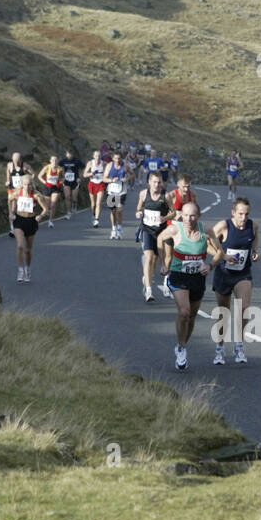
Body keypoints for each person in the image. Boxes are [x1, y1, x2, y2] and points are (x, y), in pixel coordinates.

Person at [157, 201, 224, 371]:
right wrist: (163, 263)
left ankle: (182, 345)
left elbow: (219, 252)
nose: (188, 219)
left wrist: (210, 266)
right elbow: (160, 238)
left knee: (192, 316)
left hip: (197, 279)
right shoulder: (175, 229)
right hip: (178, 276)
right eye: (186, 215)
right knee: (184, 311)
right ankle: (181, 348)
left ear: (198, 216)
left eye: (192, 215)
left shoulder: (206, 231)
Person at [210, 197, 259, 365]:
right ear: (233, 213)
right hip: (223, 275)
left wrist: (254, 252)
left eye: (246, 214)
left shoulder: (253, 226)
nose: (243, 218)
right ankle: (220, 348)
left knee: (244, 308)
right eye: (240, 214)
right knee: (224, 313)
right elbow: (206, 241)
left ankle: (239, 346)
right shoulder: (224, 226)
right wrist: (222, 255)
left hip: (242, 274)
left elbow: (254, 239)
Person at [135, 171, 171, 301]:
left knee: (155, 260)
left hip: (161, 233)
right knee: (149, 257)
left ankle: (147, 277)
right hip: (147, 230)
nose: (157, 185)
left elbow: (173, 213)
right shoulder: (143, 194)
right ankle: (149, 291)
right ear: (149, 183)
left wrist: (165, 217)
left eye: (159, 182)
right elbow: (138, 209)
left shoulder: (166, 196)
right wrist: (138, 213)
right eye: (154, 182)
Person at [11, 174, 48, 282]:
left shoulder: (36, 196)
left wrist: (40, 216)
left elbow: (45, 209)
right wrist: (11, 212)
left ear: (32, 185)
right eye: (25, 185)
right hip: (19, 221)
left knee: (27, 250)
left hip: (31, 222)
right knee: (20, 246)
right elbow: (10, 199)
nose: (27, 187)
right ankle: (20, 270)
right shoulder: (18, 193)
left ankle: (27, 269)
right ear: (22, 185)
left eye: (30, 185)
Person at [5, 152, 34, 237]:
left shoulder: (25, 166)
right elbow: (7, 171)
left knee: (20, 209)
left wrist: (28, 182)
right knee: (11, 209)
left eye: (17, 161)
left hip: (21, 191)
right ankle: (12, 229)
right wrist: (7, 180)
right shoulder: (9, 165)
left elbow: (33, 174)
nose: (16, 163)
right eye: (14, 161)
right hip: (12, 189)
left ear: (20, 160)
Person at [103, 151, 128, 240]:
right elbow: (104, 178)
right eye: (116, 158)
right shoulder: (109, 166)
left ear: (121, 158)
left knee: (119, 210)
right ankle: (113, 229)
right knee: (113, 212)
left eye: (119, 158)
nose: (117, 160)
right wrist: (111, 180)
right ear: (113, 159)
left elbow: (132, 175)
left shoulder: (125, 166)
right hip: (112, 191)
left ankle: (119, 229)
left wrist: (126, 178)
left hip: (121, 191)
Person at [37, 155, 64, 227]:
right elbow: (39, 176)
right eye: (53, 160)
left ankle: (50, 221)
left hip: (56, 188)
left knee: (53, 204)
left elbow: (63, 178)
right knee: (48, 205)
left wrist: (60, 182)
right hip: (47, 187)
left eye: (56, 160)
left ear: (57, 161)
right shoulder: (47, 168)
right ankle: (48, 212)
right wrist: (45, 182)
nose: (54, 162)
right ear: (50, 161)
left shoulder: (60, 169)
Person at [83, 150, 107, 227]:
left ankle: (97, 220)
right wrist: (91, 173)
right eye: (96, 156)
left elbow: (107, 173)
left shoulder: (104, 164)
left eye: (99, 156)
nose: (98, 157)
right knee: (93, 204)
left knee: (98, 203)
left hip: (101, 184)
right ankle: (93, 214)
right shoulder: (90, 163)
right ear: (93, 156)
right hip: (92, 183)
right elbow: (84, 175)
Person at [61, 147, 83, 219]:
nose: (69, 156)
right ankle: (68, 212)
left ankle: (74, 204)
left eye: (71, 154)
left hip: (75, 181)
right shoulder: (63, 161)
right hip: (66, 181)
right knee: (67, 196)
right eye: (68, 154)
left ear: (73, 155)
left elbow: (82, 168)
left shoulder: (77, 161)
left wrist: (80, 177)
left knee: (74, 197)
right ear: (66, 154)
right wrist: (61, 177)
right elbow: (58, 168)